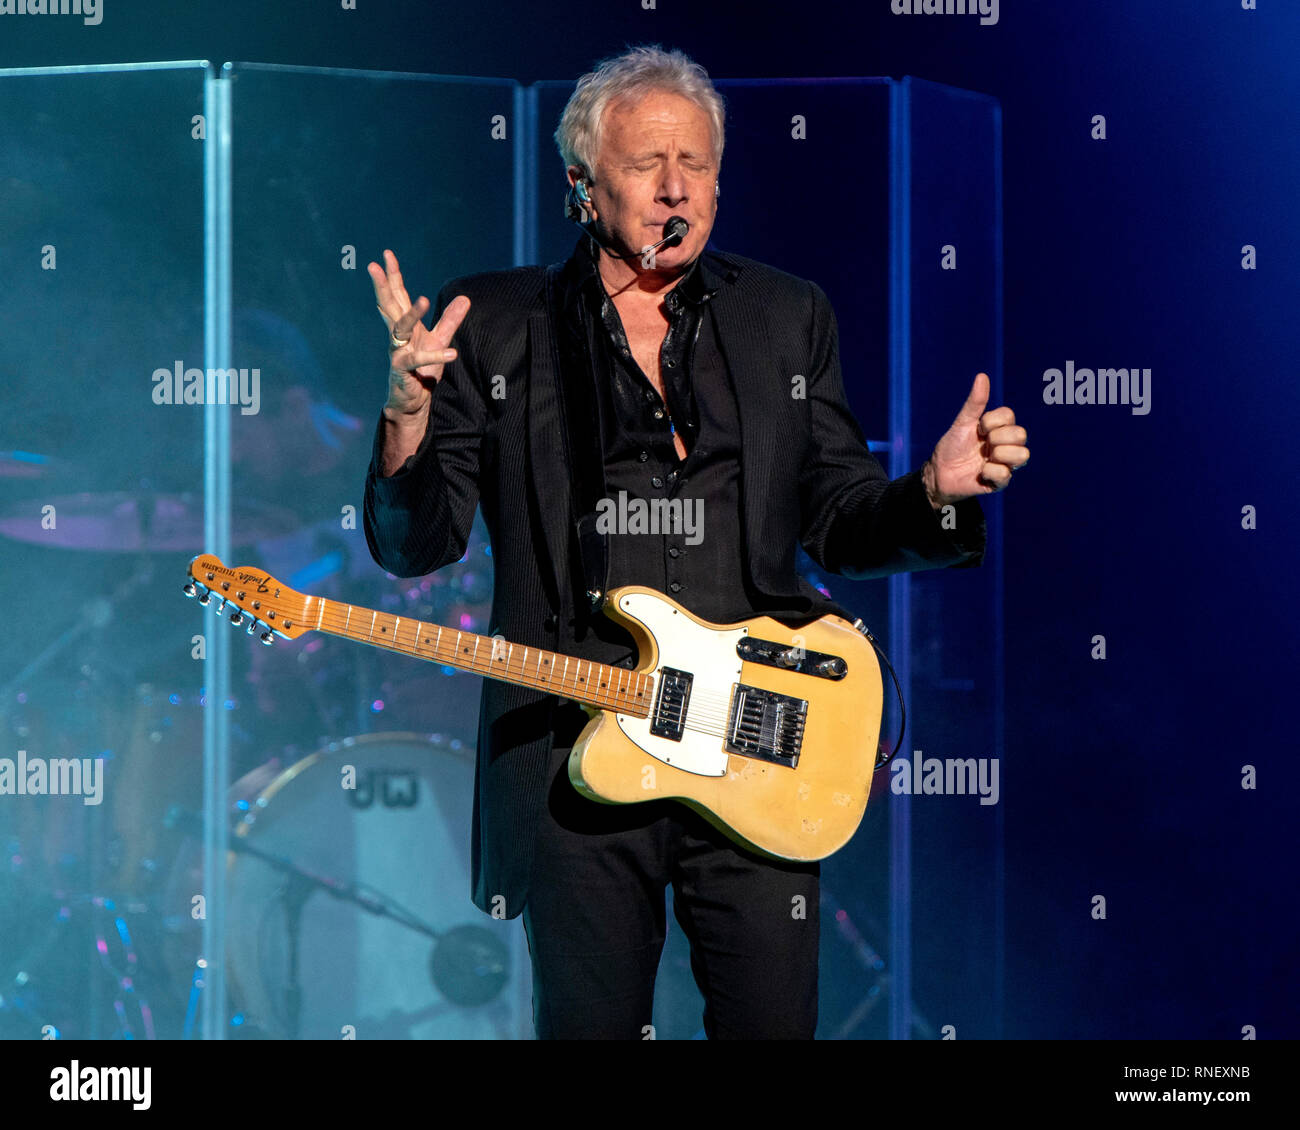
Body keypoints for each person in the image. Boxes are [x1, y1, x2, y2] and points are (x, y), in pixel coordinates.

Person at [363, 44, 1028, 1040]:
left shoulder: (784, 315)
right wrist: (405, 414)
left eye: (699, 163)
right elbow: (418, 545)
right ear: (581, 186)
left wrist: (930, 490)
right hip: (576, 751)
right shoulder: (497, 325)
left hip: (757, 737)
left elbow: (838, 519)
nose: (678, 187)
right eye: (646, 164)